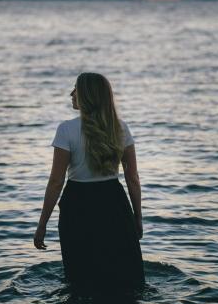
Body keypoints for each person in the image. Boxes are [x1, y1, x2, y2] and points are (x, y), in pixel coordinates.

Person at [34, 72, 145, 292]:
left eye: (76, 88)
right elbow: (132, 178)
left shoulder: (66, 129)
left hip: (78, 205)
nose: (72, 93)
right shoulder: (121, 128)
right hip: (114, 203)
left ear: (87, 95)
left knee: (80, 276)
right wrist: (137, 217)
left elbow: (56, 182)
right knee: (122, 274)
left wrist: (42, 224)